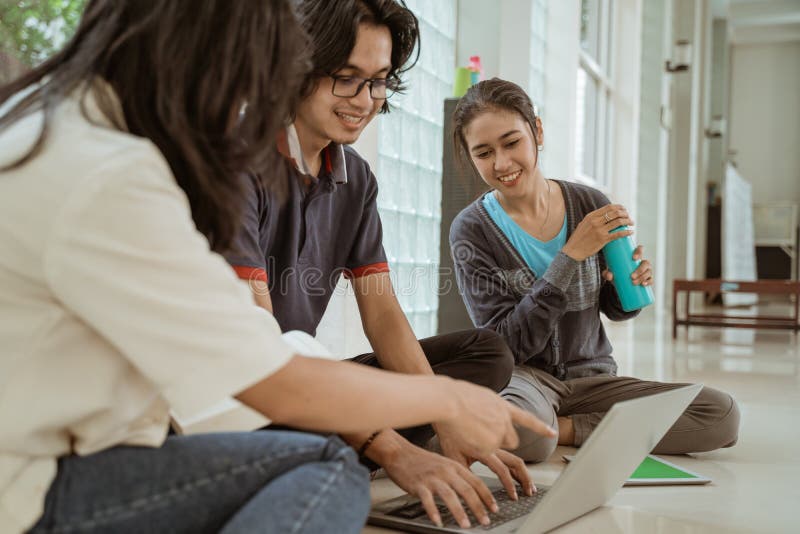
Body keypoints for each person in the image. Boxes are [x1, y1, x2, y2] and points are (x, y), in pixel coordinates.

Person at [0, 4, 555, 532]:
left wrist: (434, 409)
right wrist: (442, 404)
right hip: (39, 485)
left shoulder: (61, 125)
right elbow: (266, 377)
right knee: (327, 465)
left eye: (378, 80)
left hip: (149, 414)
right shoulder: (124, 170)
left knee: (458, 365)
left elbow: (370, 315)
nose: (257, 91)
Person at [223, 1, 533, 528]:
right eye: (347, 79)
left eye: (379, 82)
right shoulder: (239, 163)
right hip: (252, 387)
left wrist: (443, 410)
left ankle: (348, 443)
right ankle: (346, 448)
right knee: (304, 431)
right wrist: (393, 449)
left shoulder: (356, 178)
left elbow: (383, 314)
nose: (364, 101)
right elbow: (258, 353)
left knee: (484, 355)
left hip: (309, 381)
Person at [449, 78, 740, 463]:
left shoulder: (589, 203)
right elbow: (506, 344)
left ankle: (565, 428)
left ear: (537, 131)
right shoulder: (472, 230)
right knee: (523, 432)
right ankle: (588, 427)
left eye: (511, 142)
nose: (501, 163)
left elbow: (615, 308)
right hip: (527, 379)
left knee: (721, 414)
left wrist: (625, 289)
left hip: (595, 378)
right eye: (484, 153)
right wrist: (569, 257)